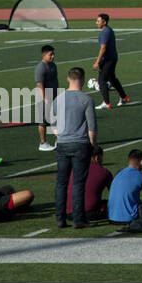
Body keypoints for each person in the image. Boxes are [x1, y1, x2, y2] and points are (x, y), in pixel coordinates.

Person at [53, 66, 98, 228]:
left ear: (68, 79)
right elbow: (92, 127)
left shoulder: (58, 99)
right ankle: (78, 219)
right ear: (83, 80)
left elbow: (54, 126)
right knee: (78, 183)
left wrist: (62, 137)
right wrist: (93, 144)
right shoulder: (86, 100)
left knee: (61, 183)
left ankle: (60, 218)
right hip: (80, 143)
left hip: (63, 143)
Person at [92, 13, 130, 110]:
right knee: (112, 79)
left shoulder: (105, 32)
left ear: (104, 22)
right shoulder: (108, 30)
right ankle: (123, 97)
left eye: (98, 21)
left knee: (102, 81)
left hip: (108, 60)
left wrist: (97, 61)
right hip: (112, 58)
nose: (96, 23)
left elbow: (103, 48)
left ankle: (106, 102)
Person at [63, 146, 112, 221]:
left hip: (69, 213)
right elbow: (114, 194)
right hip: (89, 213)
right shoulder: (104, 172)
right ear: (97, 157)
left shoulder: (74, 169)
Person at [35, 44, 58, 152]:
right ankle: (43, 143)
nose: (53, 56)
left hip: (53, 96)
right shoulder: (41, 67)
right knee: (43, 122)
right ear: (44, 55)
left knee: (55, 119)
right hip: (44, 98)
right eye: (50, 54)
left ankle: (59, 139)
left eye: (53, 54)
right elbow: (39, 84)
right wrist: (44, 98)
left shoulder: (53, 65)